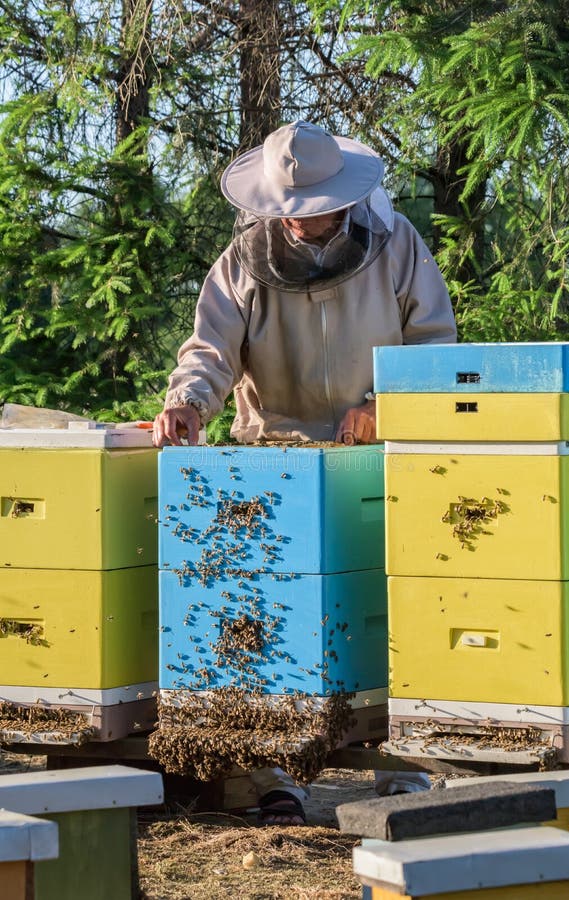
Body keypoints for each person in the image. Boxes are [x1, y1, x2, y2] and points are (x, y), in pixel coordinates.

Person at [153, 120, 457, 825]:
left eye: (315, 208)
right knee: (265, 624)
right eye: (289, 211)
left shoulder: (397, 245)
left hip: (371, 459)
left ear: (346, 199)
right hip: (274, 457)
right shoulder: (241, 258)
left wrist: (385, 404)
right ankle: (273, 780)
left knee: (382, 617)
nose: (302, 222)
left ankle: (399, 775)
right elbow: (209, 349)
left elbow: (434, 344)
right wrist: (187, 402)